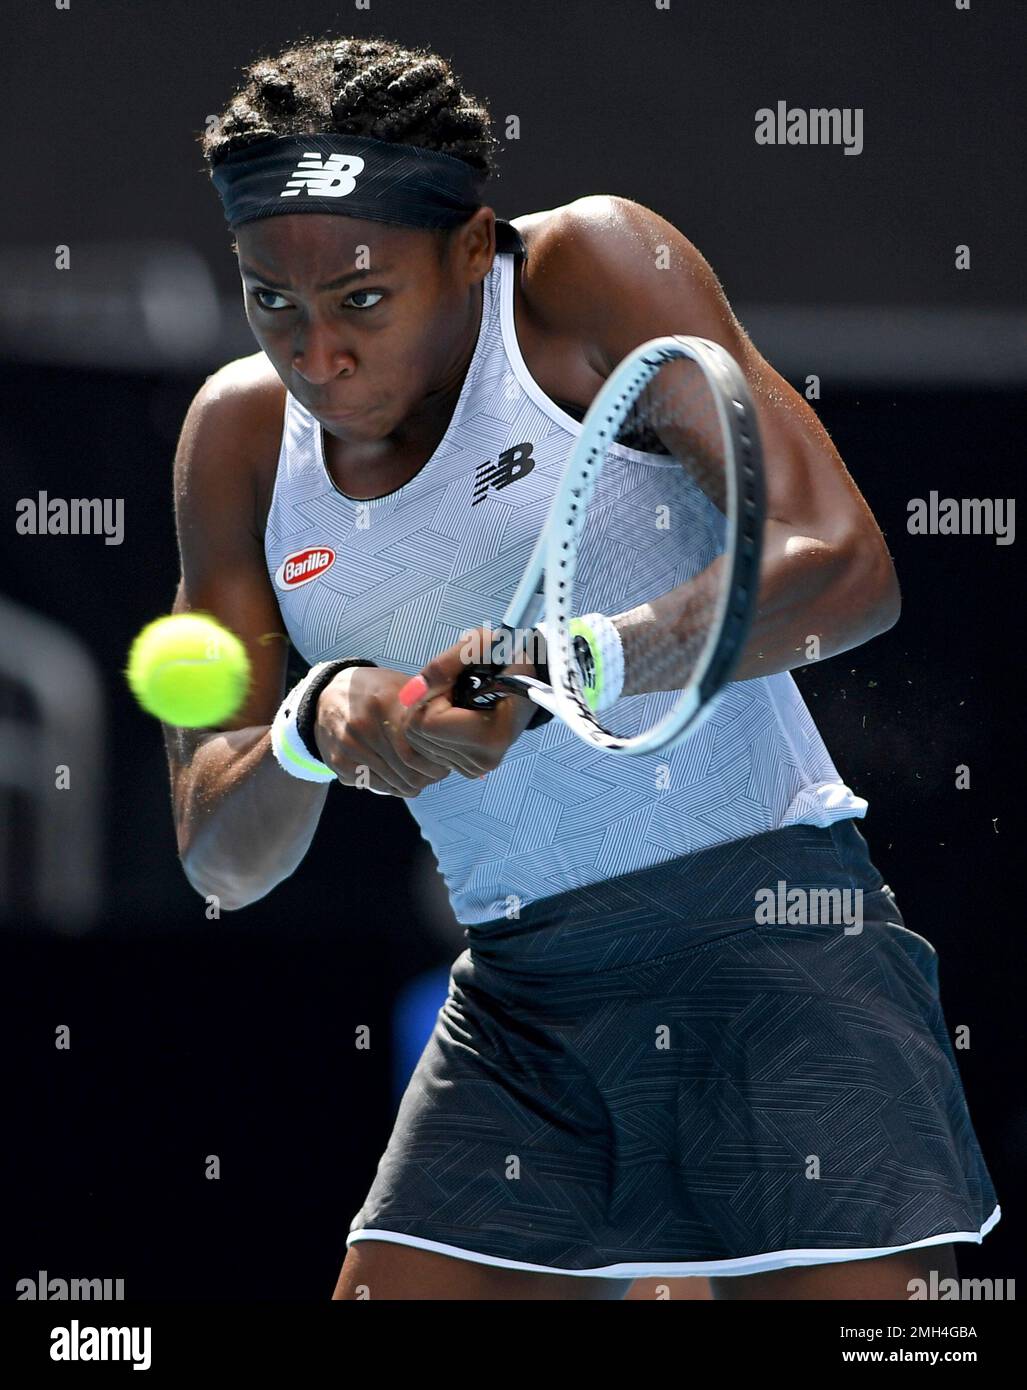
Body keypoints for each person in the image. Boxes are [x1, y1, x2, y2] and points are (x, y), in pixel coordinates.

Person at [164, 33, 1000, 1300]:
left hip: (776, 949)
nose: (314, 352)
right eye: (269, 299)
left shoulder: (587, 269)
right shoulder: (234, 439)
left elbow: (845, 569)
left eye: (362, 299)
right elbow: (222, 855)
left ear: (467, 246)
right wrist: (317, 724)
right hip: (523, 1000)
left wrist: (561, 666)